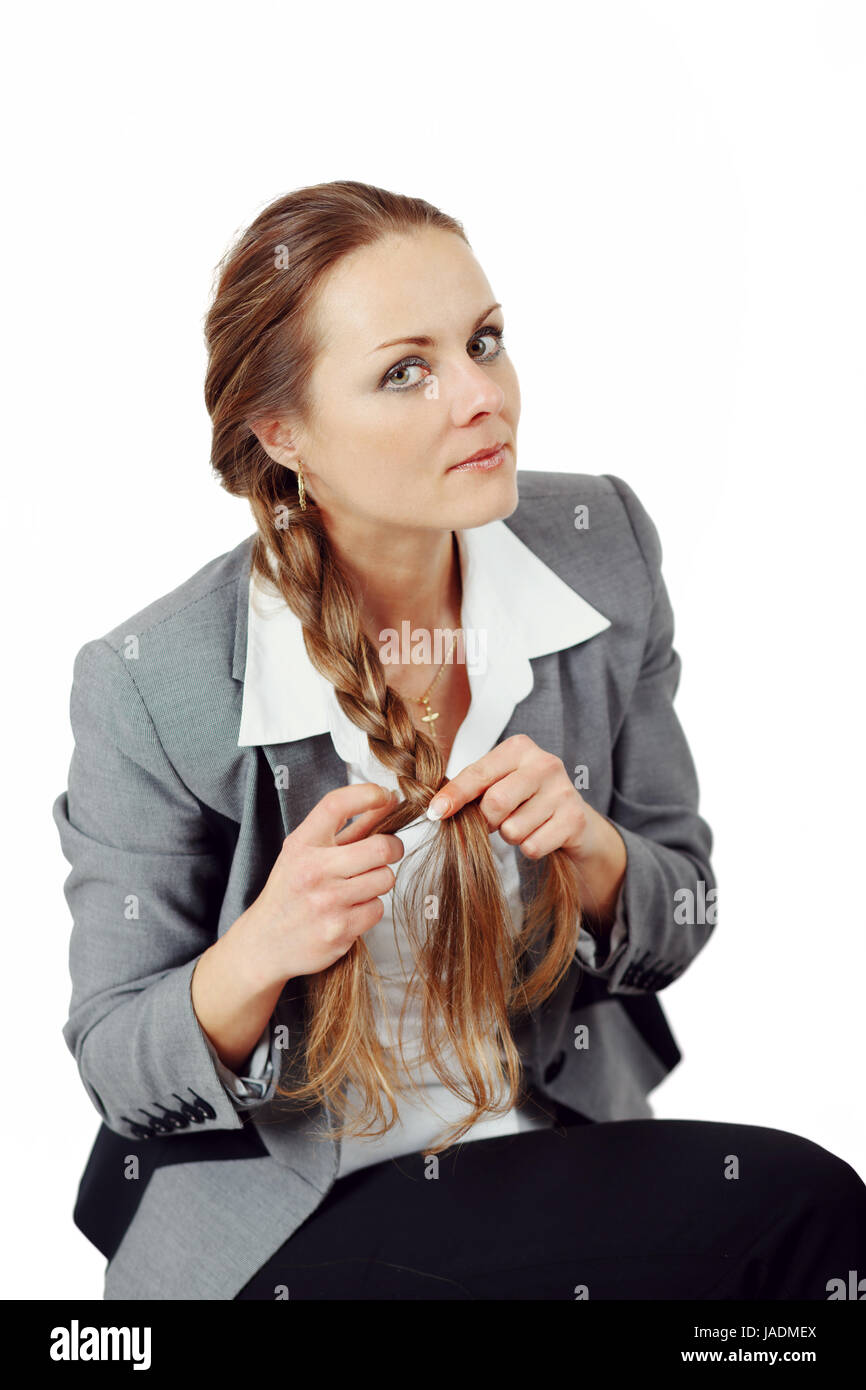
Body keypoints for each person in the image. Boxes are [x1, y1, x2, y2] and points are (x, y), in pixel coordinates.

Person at [54, 180, 866, 1301]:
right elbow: (113, 1058)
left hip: (543, 1156)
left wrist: (593, 855)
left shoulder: (601, 551)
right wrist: (264, 943)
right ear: (284, 434)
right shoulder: (157, 682)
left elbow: (679, 915)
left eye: (484, 341)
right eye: (406, 369)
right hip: (293, 1222)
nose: (481, 395)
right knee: (798, 1210)